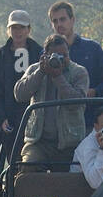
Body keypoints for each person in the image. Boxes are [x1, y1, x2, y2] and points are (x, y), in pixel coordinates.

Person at [0, 10, 42, 191]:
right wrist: (1, 118)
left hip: (36, 119)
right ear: (9, 30)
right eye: (14, 27)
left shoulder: (40, 52)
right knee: (14, 160)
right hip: (10, 119)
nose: (18, 32)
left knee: (36, 161)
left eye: (22, 28)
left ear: (28, 29)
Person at [13, 34, 89, 170]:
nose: (61, 60)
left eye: (65, 55)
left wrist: (58, 77)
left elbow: (77, 102)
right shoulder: (34, 69)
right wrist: (41, 72)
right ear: (45, 55)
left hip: (69, 143)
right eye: (56, 56)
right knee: (27, 169)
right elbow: (19, 94)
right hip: (38, 142)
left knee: (69, 181)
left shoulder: (79, 72)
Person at [48, 1, 103, 103]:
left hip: (88, 110)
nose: (59, 24)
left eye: (62, 19)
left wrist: (94, 92)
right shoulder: (46, 53)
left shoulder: (93, 48)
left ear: (72, 20)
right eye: (55, 21)